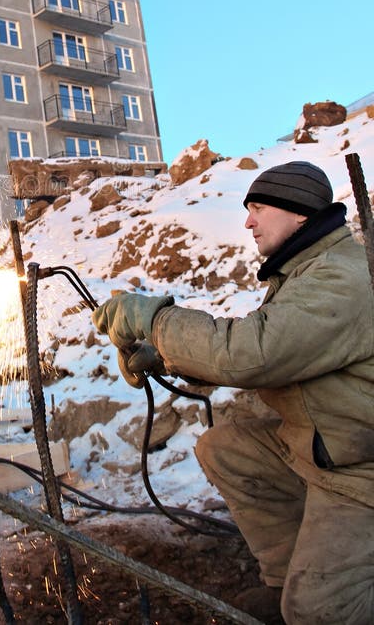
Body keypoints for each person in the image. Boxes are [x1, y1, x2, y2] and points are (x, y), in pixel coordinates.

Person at [92, 161, 374, 625]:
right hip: (324, 449)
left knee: (322, 612)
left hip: (359, 470)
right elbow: (277, 358)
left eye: (258, 208)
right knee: (226, 448)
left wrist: (156, 320)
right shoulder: (302, 272)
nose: (248, 222)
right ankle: (286, 585)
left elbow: (253, 353)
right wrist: (165, 357)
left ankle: (315, 602)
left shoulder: (339, 277)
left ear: (299, 214)